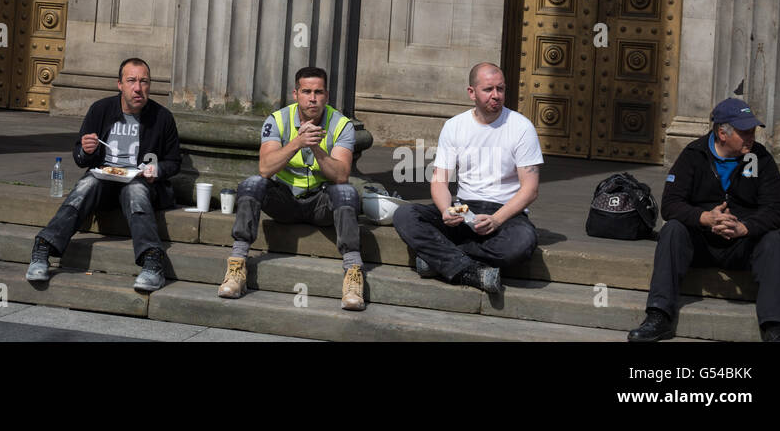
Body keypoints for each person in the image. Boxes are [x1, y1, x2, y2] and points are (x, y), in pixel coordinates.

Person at [628, 98, 780, 342]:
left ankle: (775, 326)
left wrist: (744, 228)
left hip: (742, 245)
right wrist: (705, 218)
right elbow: (671, 205)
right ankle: (658, 316)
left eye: (753, 131)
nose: (751, 137)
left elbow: (775, 210)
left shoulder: (760, 158)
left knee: (773, 238)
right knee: (672, 230)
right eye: (744, 132)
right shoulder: (694, 154)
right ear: (722, 133)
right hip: (702, 242)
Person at [218, 66, 367, 310]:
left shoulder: (342, 125)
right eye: (306, 91)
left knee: (347, 192)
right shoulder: (277, 120)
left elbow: (341, 175)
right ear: (295, 94)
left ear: (327, 96)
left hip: (321, 203)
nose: (313, 98)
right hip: (285, 201)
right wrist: (298, 142)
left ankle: (353, 274)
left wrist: (316, 147)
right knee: (252, 184)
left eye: (318, 92)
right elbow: (265, 169)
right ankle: (237, 266)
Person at [27, 58, 181, 293]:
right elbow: (80, 158)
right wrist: (86, 150)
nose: (138, 88)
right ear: (120, 84)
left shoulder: (163, 118)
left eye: (144, 81)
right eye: (131, 81)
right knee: (87, 184)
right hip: (104, 182)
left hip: (141, 183)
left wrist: (157, 171)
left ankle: (152, 261)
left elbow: (174, 162)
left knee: (136, 189)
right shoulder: (100, 110)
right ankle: (43, 249)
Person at [391, 62, 541, 295]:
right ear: (471, 92)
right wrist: (445, 210)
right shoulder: (455, 126)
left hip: (504, 213)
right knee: (404, 214)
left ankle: (441, 260)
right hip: (464, 209)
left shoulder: (522, 128)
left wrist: (497, 220)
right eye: (488, 89)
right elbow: (440, 181)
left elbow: (530, 189)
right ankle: (472, 270)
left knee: (522, 242)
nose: (496, 96)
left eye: (500, 89)